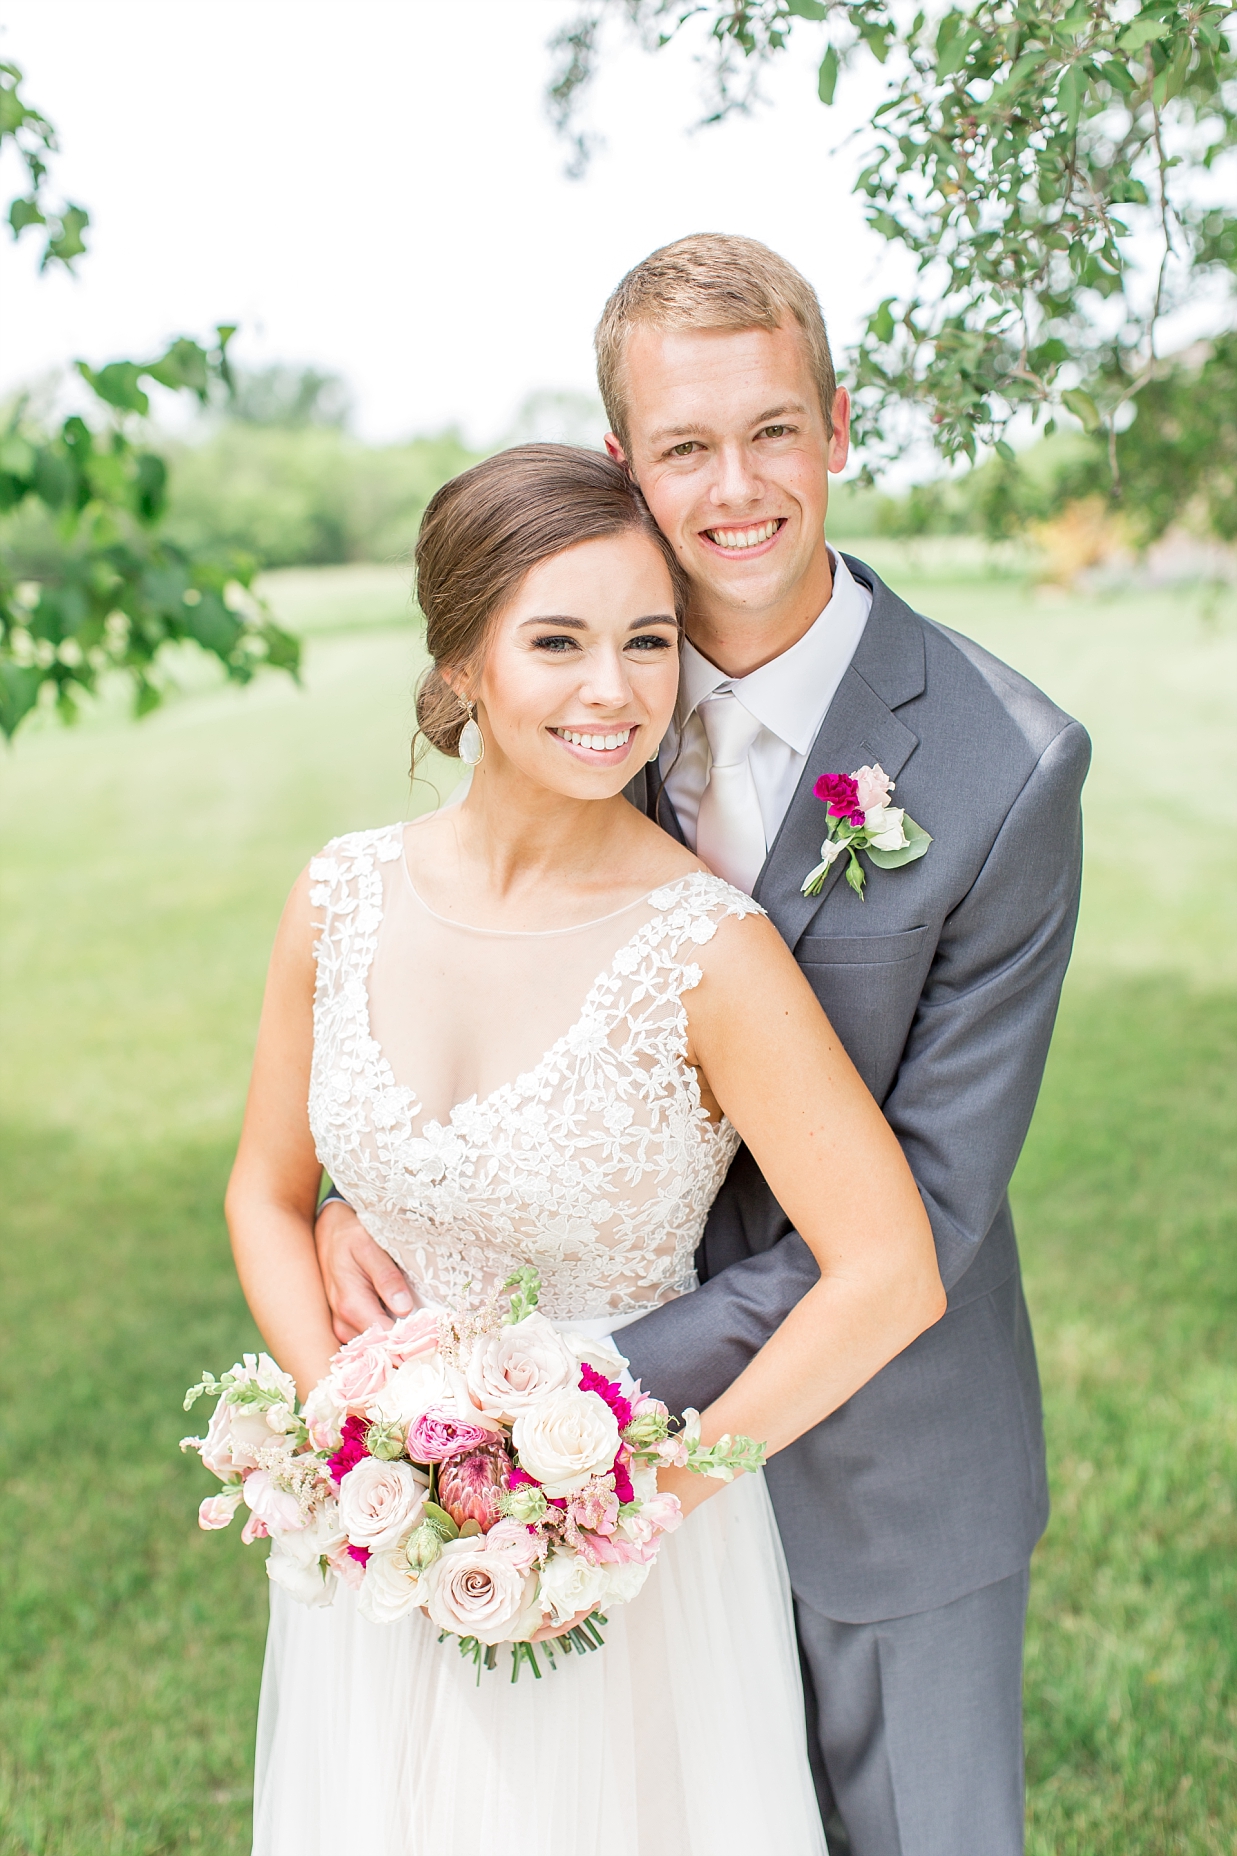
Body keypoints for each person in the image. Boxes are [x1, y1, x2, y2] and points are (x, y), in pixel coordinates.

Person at [316, 235, 1091, 1856]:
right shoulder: (596, 689)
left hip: (879, 1452)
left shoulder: (1003, 767)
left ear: (838, 428)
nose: (733, 488)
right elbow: (477, 974)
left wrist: (557, 1383)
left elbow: (923, 1211)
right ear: (622, 464)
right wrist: (376, 1199)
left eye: (770, 432)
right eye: (682, 447)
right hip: (571, 1472)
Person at [227, 441, 945, 1854]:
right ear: (458, 670)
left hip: (627, 1558)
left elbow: (889, 1271)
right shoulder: (339, 894)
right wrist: (374, 1459)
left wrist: (628, 1500)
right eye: (556, 641)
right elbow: (263, 1192)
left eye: (647, 641)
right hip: (388, 1541)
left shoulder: (705, 949)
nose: (612, 690)